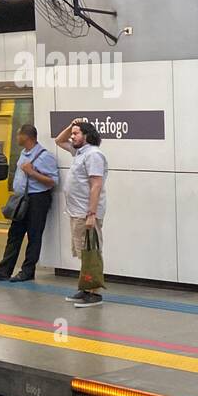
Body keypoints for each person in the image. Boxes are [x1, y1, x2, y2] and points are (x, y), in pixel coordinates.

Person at [0, 125, 59, 283]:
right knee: (14, 234)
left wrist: (32, 173)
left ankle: (28, 271)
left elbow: (53, 181)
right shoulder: (24, 153)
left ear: (26, 137)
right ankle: (3, 270)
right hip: (22, 199)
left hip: (37, 199)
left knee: (34, 235)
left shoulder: (45, 156)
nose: (16, 138)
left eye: (18, 135)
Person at [55, 118, 108, 308]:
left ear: (87, 136)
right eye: (73, 133)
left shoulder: (93, 155)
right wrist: (71, 125)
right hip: (77, 211)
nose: (72, 136)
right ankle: (85, 288)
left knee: (91, 251)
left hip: (86, 213)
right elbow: (58, 141)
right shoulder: (79, 152)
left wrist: (91, 213)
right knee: (83, 251)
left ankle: (93, 293)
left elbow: (96, 184)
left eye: (76, 133)